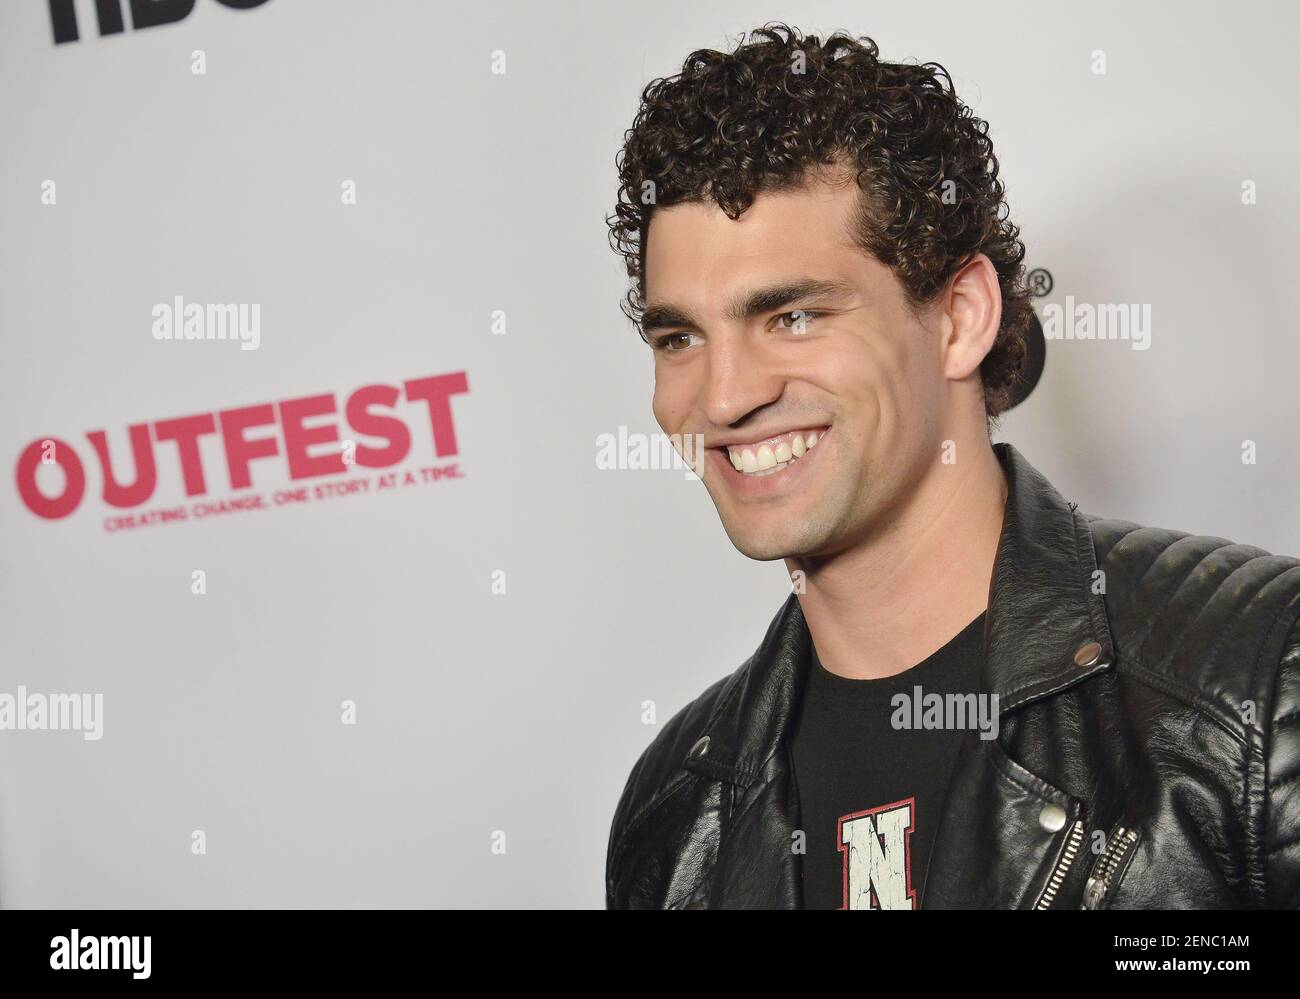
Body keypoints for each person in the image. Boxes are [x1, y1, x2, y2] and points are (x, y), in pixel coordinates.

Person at [603, 23, 1300, 909]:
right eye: (680, 337)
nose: (725, 396)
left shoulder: (1255, 681)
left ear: (962, 317)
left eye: (793, 317)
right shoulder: (677, 813)